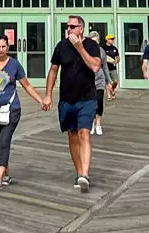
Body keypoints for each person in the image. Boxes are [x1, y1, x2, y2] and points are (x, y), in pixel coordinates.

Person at [0, 34, 47, 190]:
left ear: (8, 47)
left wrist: (40, 100)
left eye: (4, 46)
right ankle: (5, 173)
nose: (1, 50)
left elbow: (27, 85)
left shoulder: (14, 65)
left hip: (12, 109)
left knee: (4, 141)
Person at [42, 16, 103, 192]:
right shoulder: (61, 46)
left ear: (81, 29)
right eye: (67, 26)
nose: (68, 29)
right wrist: (48, 95)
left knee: (84, 133)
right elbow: (53, 70)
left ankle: (85, 174)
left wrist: (79, 47)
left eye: (72, 26)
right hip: (67, 99)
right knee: (73, 136)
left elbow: (95, 67)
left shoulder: (91, 46)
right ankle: (79, 172)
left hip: (87, 98)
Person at [88, 29, 108, 136]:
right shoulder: (85, 51)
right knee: (90, 103)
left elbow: (105, 67)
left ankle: (98, 124)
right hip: (89, 80)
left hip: (100, 80)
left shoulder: (102, 52)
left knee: (99, 102)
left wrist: (108, 81)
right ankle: (91, 123)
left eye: (96, 41)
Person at [103, 36, 121, 100]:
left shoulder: (114, 48)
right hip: (105, 68)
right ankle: (108, 96)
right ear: (107, 40)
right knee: (107, 82)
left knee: (115, 81)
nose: (112, 40)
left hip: (113, 67)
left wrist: (116, 61)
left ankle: (112, 88)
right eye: (111, 39)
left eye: (113, 39)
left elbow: (118, 57)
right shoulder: (103, 48)